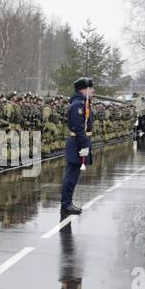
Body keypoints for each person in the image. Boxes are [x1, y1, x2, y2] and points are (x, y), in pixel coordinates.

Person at [61, 77, 93, 216]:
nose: (92, 91)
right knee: (71, 175)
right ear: (82, 90)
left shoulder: (83, 104)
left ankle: (68, 202)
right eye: (90, 88)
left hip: (80, 142)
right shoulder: (78, 105)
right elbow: (77, 126)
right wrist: (85, 142)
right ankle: (66, 204)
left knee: (74, 175)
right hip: (77, 143)